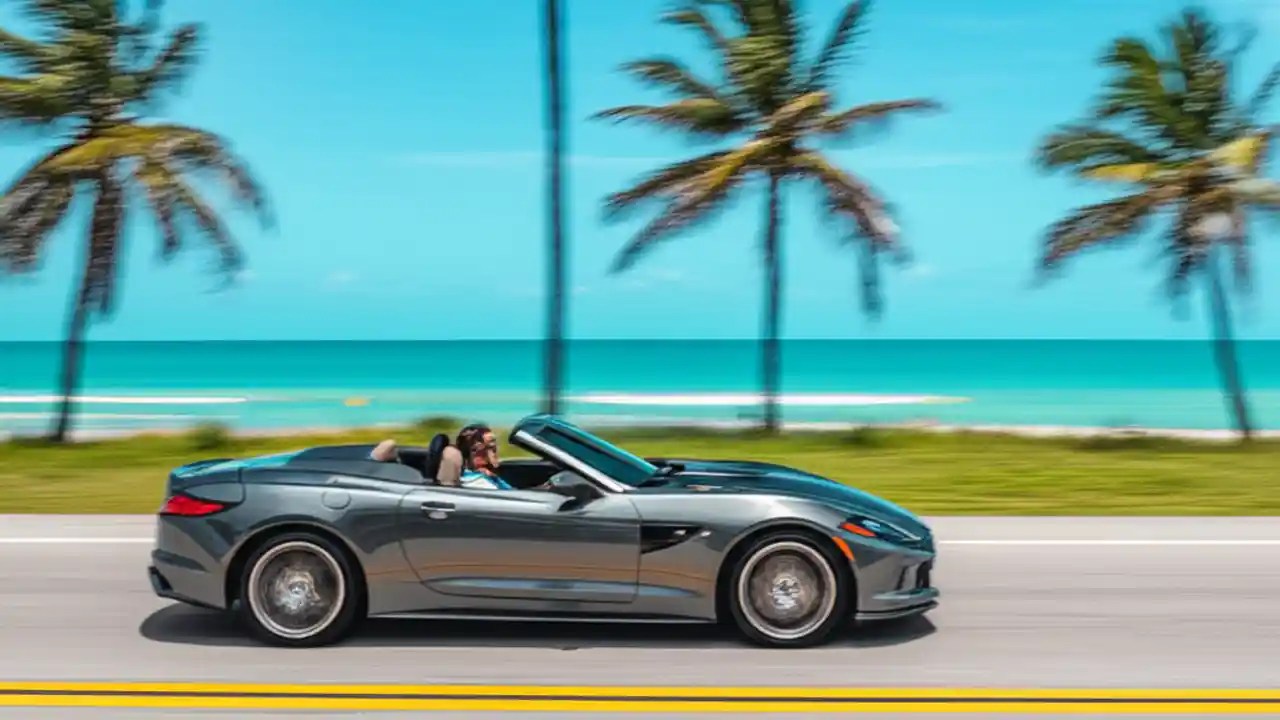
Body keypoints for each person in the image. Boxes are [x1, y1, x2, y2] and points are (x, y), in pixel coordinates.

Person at [455, 423, 514, 489]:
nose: (496, 451)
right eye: (491, 448)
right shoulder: (479, 483)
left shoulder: (488, 476)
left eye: (495, 447)